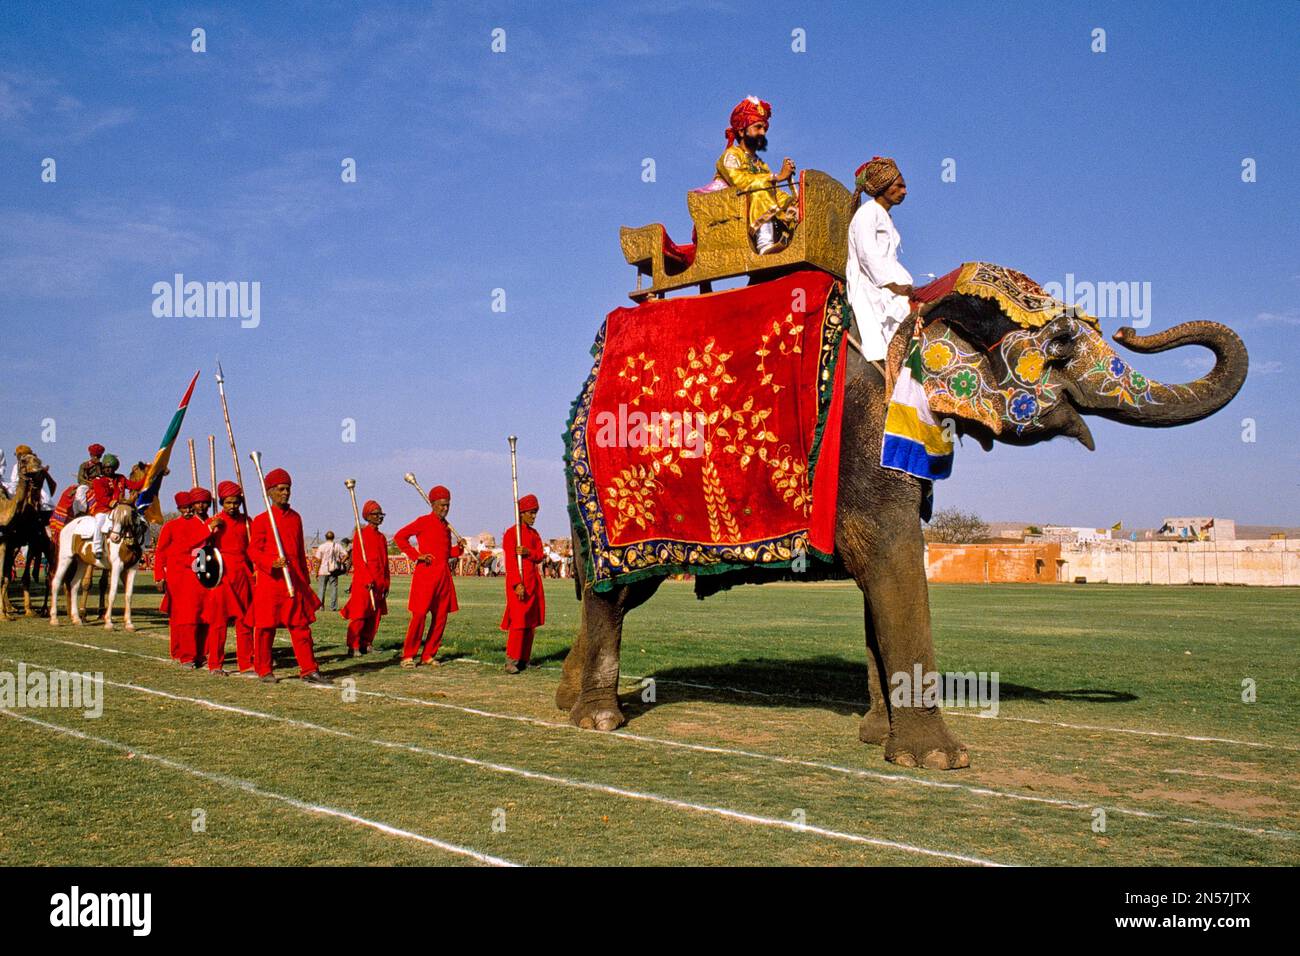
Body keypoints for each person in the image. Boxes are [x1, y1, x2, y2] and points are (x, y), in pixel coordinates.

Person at [244, 468, 332, 685]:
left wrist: (305, 578)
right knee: (265, 627)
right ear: (271, 492)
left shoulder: (295, 518)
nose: (285, 493)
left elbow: (299, 551)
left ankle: (309, 669)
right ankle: (263, 669)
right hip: (270, 582)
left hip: (293, 582)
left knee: (300, 626)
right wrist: (271, 563)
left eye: (288, 489)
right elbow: (253, 551)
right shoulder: (262, 519)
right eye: (281, 489)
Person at [846, 156, 914, 361]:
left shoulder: (884, 215)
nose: (904, 192)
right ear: (883, 186)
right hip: (872, 284)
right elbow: (867, 254)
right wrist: (891, 285)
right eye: (899, 186)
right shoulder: (867, 213)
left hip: (887, 280)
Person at [713, 96, 798, 254]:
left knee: (788, 199)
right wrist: (777, 177)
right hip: (733, 204)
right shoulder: (731, 155)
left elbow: (772, 190)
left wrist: (791, 198)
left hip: (753, 198)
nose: (762, 133)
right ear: (741, 130)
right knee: (757, 189)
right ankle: (764, 243)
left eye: (764, 129)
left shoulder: (760, 163)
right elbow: (740, 181)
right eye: (758, 127)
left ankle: (792, 237)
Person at [394, 485, 464, 668]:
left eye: (448, 505)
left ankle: (428, 655)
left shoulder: (447, 528)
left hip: (443, 576)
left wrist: (461, 548)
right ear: (432, 504)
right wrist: (417, 555)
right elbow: (400, 537)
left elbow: (447, 552)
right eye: (442, 505)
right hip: (425, 575)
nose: (445, 508)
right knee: (419, 615)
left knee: (441, 617)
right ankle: (408, 655)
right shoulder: (423, 521)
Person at [154, 490, 212, 667]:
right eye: (184, 508)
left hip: (201, 576)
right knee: (184, 617)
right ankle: (184, 654)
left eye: (190, 507)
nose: (188, 511)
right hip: (179, 577)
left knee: (203, 616)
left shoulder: (205, 523)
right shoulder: (172, 526)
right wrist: (159, 576)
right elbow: (163, 552)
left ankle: (200, 652)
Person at [202, 481, 255, 676]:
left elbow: (254, 547)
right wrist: (209, 530)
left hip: (243, 573)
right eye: (228, 503)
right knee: (219, 622)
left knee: (245, 621)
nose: (232, 507)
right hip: (221, 575)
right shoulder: (215, 521)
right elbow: (200, 548)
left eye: (236, 503)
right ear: (222, 503)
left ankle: (246, 663)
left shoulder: (247, 522)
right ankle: (215, 663)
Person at [500, 494, 546, 674]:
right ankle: (511, 659)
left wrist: (529, 552)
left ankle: (525, 659)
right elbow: (510, 563)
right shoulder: (512, 534)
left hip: (533, 582)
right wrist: (516, 584)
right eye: (531, 513)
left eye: (535, 513)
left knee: (530, 623)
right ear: (522, 513)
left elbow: (540, 555)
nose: (533, 517)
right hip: (518, 583)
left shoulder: (534, 534)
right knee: (518, 622)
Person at [340, 500, 390, 657]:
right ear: (368, 516)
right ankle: (353, 645)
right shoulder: (360, 536)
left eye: (381, 514)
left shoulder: (382, 538)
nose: (379, 517)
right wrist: (367, 578)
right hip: (364, 582)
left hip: (379, 582)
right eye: (376, 514)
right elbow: (358, 559)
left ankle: (367, 643)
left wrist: (386, 582)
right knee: (359, 615)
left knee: (374, 616)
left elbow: (385, 562)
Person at [88, 454, 144, 558]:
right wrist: (115, 502)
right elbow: (101, 497)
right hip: (103, 509)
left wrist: (148, 477)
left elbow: (135, 486)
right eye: (106, 468)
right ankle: (97, 548)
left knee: (138, 520)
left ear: (114, 468)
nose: (108, 470)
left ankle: (135, 546)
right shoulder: (98, 480)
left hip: (119, 509)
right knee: (99, 523)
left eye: (110, 468)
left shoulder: (120, 478)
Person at [313, 530, 346, 611]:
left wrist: (316, 572)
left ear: (325, 537)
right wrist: (341, 562)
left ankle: (321, 606)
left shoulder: (321, 547)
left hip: (323, 570)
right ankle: (333, 607)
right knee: (334, 589)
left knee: (321, 589)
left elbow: (318, 560)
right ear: (333, 537)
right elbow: (346, 555)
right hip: (334, 570)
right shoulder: (337, 546)